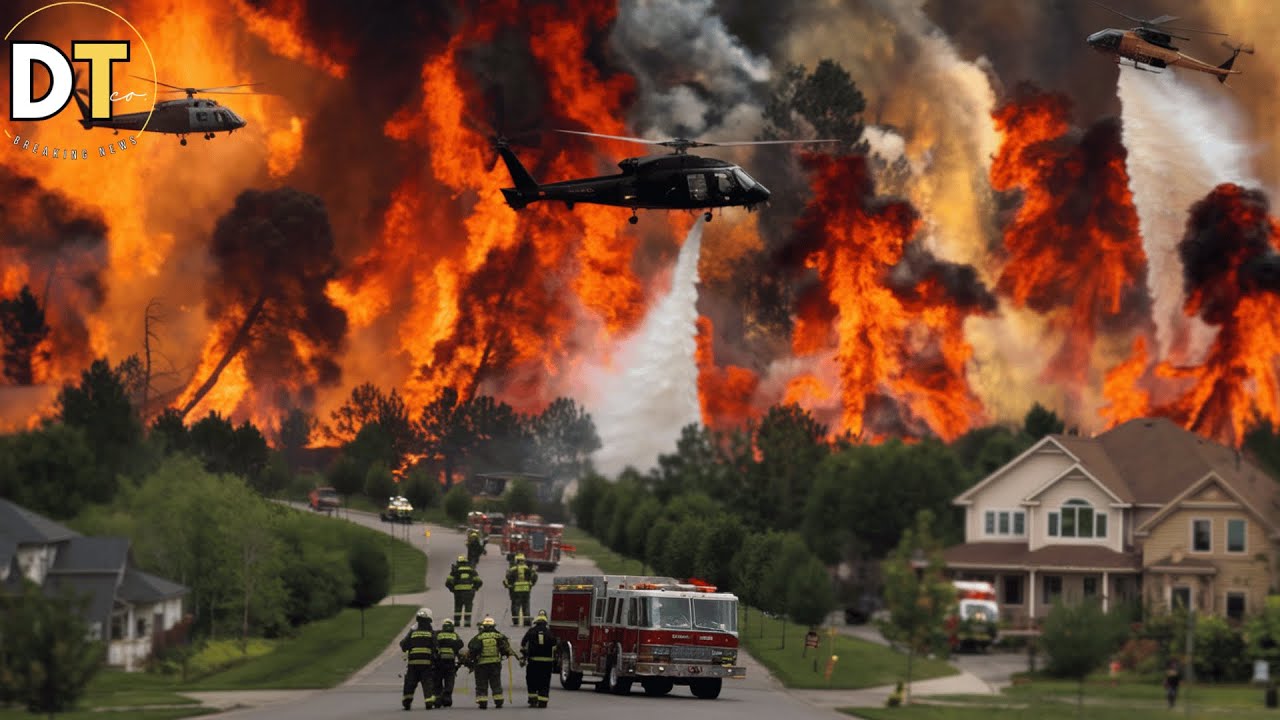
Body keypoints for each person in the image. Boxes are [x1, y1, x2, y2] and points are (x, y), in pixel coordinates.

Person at [468, 616, 514, 709]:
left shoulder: (479, 637)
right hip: (495, 664)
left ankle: (482, 701)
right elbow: (506, 648)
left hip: (482, 664)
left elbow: (472, 647)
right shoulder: (498, 636)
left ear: (483, 626)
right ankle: (498, 700)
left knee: (481, 683)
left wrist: (471, 659)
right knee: (496, 682)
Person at [399, 608, 438, 711]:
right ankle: (429, 702)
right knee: (428, 683)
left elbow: (403, 645)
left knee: (410, 683)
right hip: (426, 664)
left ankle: (407, 702)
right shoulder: (431, 633)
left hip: (413, 664)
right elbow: (436, 647)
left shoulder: (412, 633)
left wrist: (411, 631)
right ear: (430, 620)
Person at [520, 610, 556, 708]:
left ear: (536, 622)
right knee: (544, 682)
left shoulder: (531, 631)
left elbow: (523, 644)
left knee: (532, 681)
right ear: (545, 623)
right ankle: (543, 701)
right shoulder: (550, 633)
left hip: (533, 662)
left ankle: (532, 700)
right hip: (547, 664)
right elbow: (555, 646)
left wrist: (524, 656)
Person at [433, 618, 465, 708]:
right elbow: (460, 645)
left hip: (439, 662)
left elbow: (433, 644)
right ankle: (447, 698)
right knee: (449, 680)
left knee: (437, 680)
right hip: (450, 662)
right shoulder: (454, 635)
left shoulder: (438, 634)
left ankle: (437, 699)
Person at [446, 555, 483, 627]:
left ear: (458, 562)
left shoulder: (455, 570)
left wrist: (452, 589)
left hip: (458, 592)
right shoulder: (471, 570)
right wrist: (475, 588)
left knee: (458, 607)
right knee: (468, 606)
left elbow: (448, 582)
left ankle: (457, 622)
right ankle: (467, 622)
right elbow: (479, 581)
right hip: (469, 592)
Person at [503, 553, 538, 626]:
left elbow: (507, 580)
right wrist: (531, 585)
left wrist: (508, 586)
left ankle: (516, 622)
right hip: (526, 590)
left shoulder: (512, 569)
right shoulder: (528, 569)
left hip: (516, 591)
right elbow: (534, 577)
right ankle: (527, 622)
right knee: (526, 606)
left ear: (516, 560)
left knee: (515, 606)